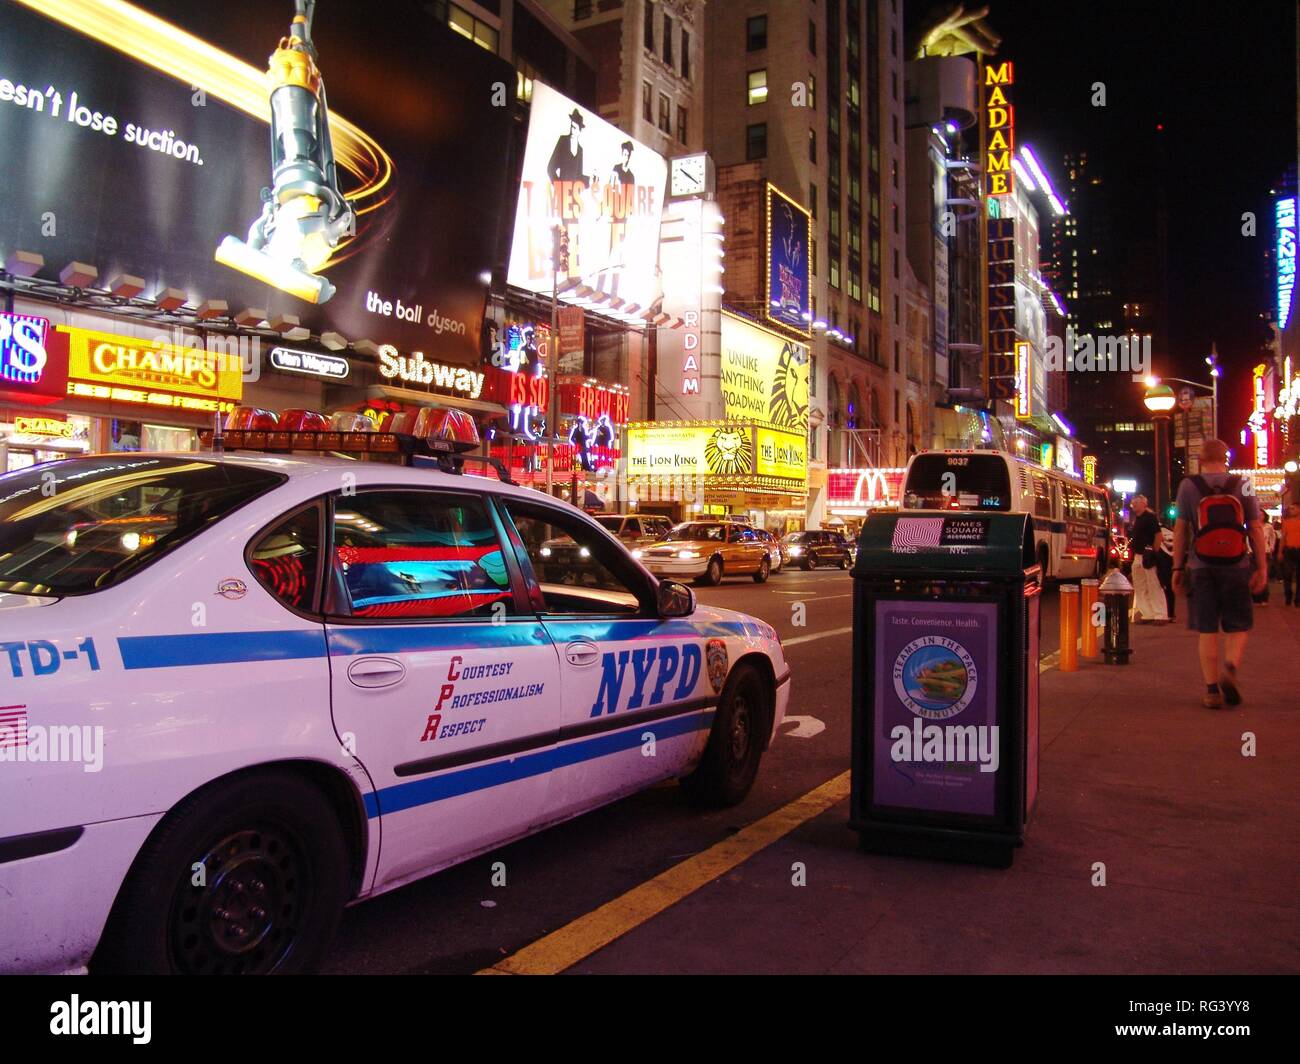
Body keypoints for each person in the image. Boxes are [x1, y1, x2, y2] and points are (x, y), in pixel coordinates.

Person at [1171, 439, 1269, 709]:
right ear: (1226, 458)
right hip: (1236, 565)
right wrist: (1261, 566)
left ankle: (1212, 690)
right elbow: (1256, 528)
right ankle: (1231, 666)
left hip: (1201, 566)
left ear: (1200, 460)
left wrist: (1177, 567)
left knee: (1207, 628)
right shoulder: (1243, 483)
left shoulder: (1188, 486)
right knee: (1239, 624)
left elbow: (1180, 530)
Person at [1127, 494, 1167, 622]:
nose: (1134, 504)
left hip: (1147, 556)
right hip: (1137, 555)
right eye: (1133, 502)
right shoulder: (1137, 519)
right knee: (1140, 585)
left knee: (1153, 584)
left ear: (1144, 503)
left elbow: (1158, 535)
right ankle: (1148, 613)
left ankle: (1160, 615)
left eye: (1137, 502)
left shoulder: (1150, 517)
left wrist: (1153, 552)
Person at [1154, 524, 1176, 622]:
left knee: (1161, 588)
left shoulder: (1157, 533)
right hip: (1171, 563)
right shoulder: (1171, 533)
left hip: (1162, 563)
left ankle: (1164, 613)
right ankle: (1171, 614)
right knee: (1170, 589)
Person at [1281, 502, 1300, 607]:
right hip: (1289, 550)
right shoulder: (1286, 522)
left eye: (1293, 508)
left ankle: (1298, 599)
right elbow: (1283, 537)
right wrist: (1280, 551)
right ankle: (1288, 595)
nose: (1291, 510)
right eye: (1290, 508)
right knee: (1287, 574)